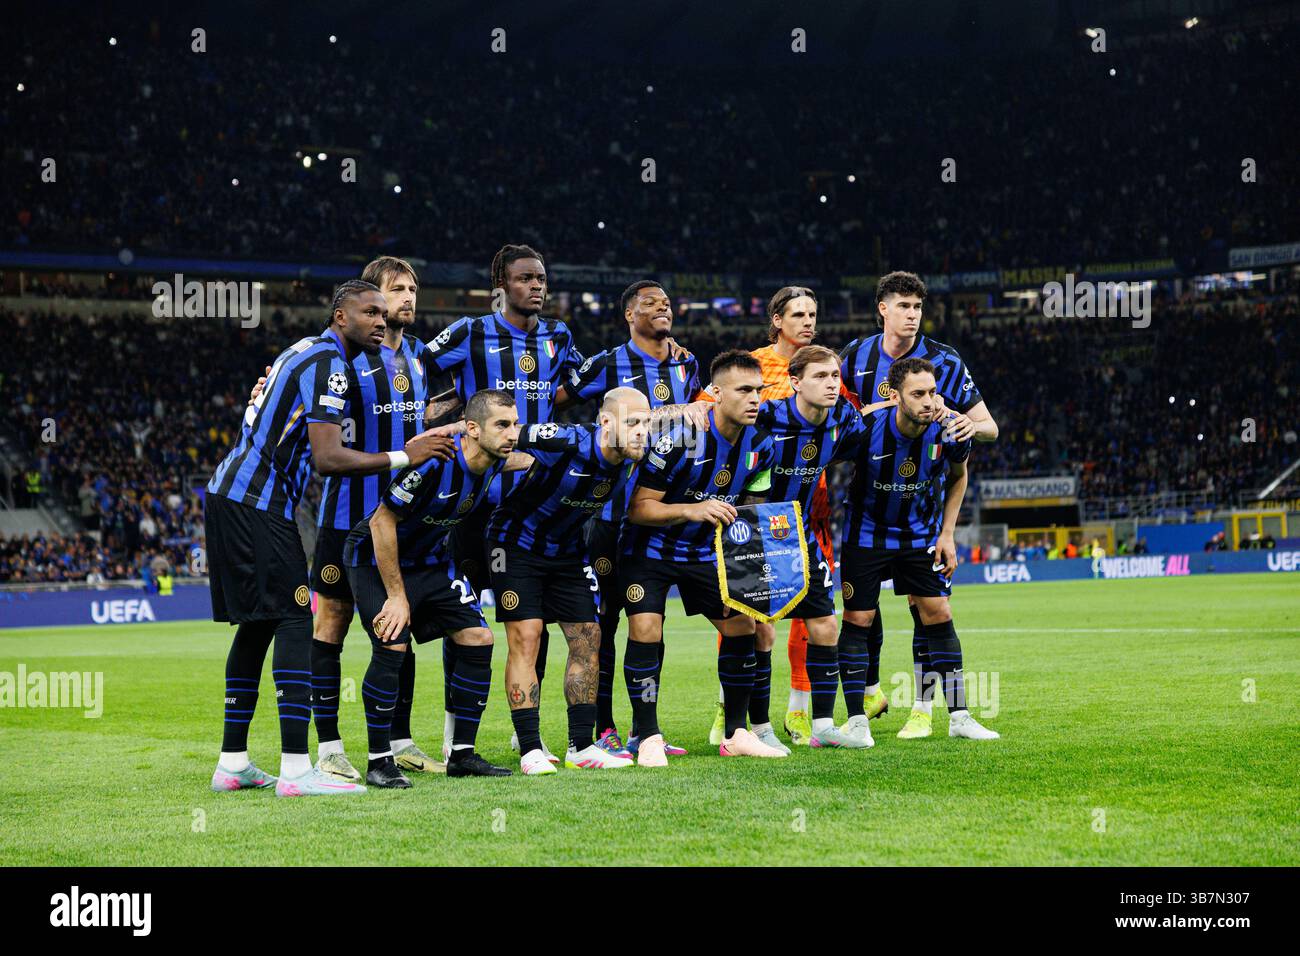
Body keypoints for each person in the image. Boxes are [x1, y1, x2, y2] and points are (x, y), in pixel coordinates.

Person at [205, 280, 453, 797]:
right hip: (259, 503)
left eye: (385, 314)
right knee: (297, 619)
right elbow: (328, 457)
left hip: (232, 495)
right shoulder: (331, 365)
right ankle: (298, 769)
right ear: (341, 315)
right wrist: (407, 455)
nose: (381, 322)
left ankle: (233, 763)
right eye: (370, 313)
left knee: (256, 626)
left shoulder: (305, 352)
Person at [838, 272, 998, 731]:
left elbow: (989, 427)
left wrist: (969, 427)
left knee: (927, 609)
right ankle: (862, 708)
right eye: (903, 306)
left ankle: (927, 711)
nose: (912, 316)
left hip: (921, 508)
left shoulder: (944, 360)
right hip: (869, 508)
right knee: (862, 617)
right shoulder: (855, 357)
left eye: (918, 308)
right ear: (883, 309)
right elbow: (839, 418)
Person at [343, 389, 524, 785]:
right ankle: (379, 761)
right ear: (473, 429)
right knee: (393, 643)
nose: (513, 433)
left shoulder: (495, 460)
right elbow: (381, 522)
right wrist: (396, 596)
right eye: (503, 425)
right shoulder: (434, 464)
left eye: (515, 424)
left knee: (478, 637)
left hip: (431, 562)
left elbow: (531, 456)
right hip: (375, 559)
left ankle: (462, 755)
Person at [620, 350, 784, 765]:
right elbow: (638, 508)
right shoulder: (680, 437)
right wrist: (692, 509)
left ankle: (737, 732)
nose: (754, 399)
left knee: (742, 625)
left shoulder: (762, 443)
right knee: (646, 627)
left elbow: (752, 505)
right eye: (743, 390)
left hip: (704, 554)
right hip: (651, 549)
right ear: (717, 394)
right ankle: (648, 736)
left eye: (758, 391)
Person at [567, 280, 704, 758]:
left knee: (650, 623)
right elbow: (561, 400)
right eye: (650, 303)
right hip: (607, 514)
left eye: (667, 302)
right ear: (629, 314)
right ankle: (602, 728)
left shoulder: (688, 364)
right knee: (602, 623)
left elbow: (701, 417)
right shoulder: (606, 363)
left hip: (656, 514)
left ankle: (647, 730)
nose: (662, 308)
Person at [485, 388, 651, 773]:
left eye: (646, 422)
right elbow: (504, 433)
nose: (642, 430)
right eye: (633, 422)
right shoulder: (566, 439)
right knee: (527, 637)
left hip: (567, 552)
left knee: (588, 638)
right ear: (605, 423)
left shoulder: (631, 453)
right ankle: (529, 749)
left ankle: (581, 746)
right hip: (515, 545)